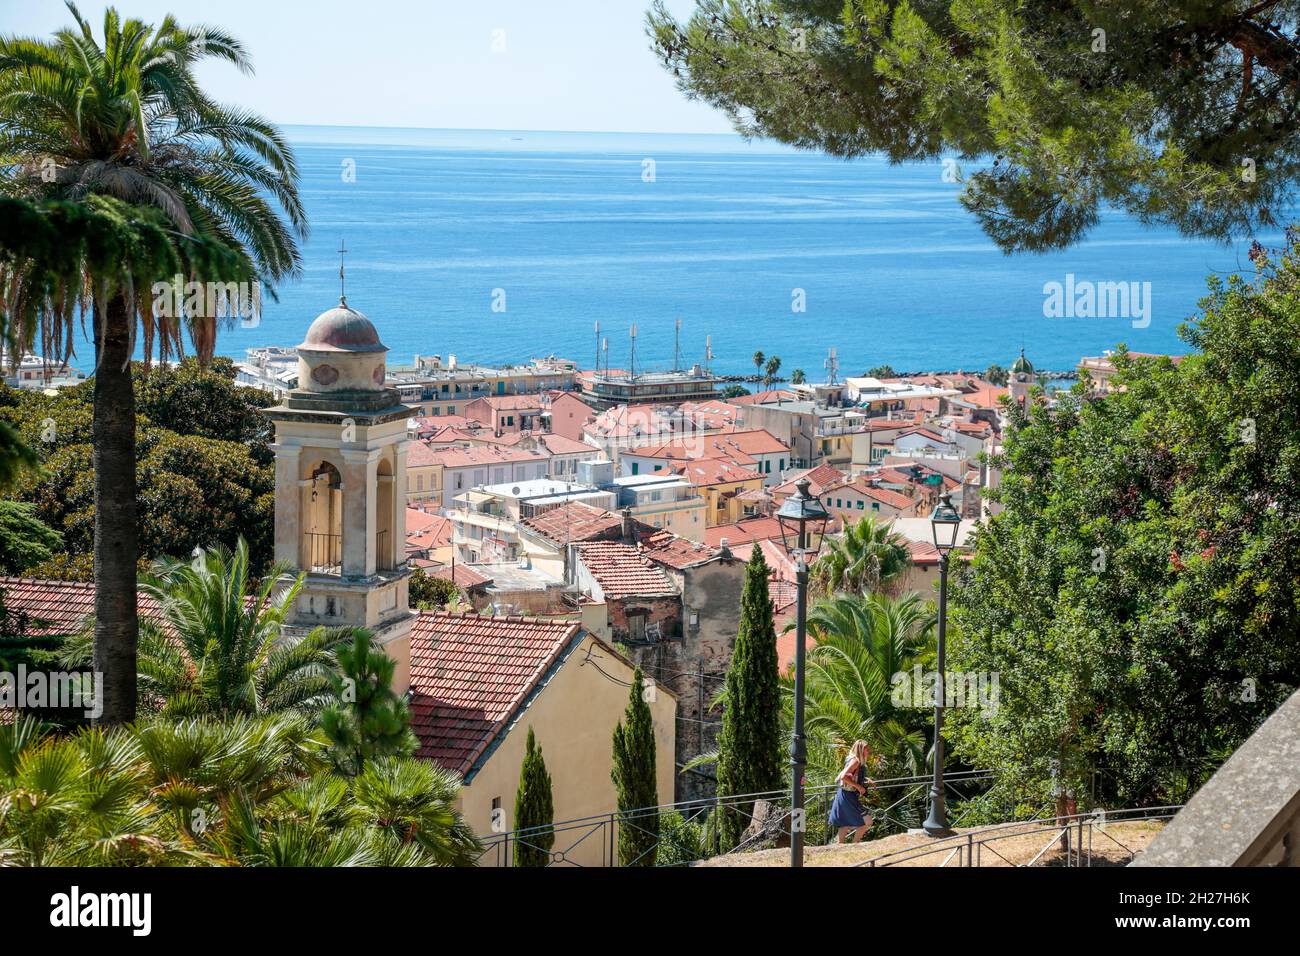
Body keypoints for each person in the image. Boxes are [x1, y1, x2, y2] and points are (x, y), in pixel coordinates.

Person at [828, 740, 874, 844]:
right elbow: (844, 777)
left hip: (844, 794)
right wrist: (859, 787)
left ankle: (840, 846)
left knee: (844, 823)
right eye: (867, 749)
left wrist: (865, 779)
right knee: (868, 822)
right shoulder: (856, 761)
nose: (869, 751)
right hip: (848, 795)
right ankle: (855, 843)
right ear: (861, 750)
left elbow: (851, 775)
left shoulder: (852, 759)